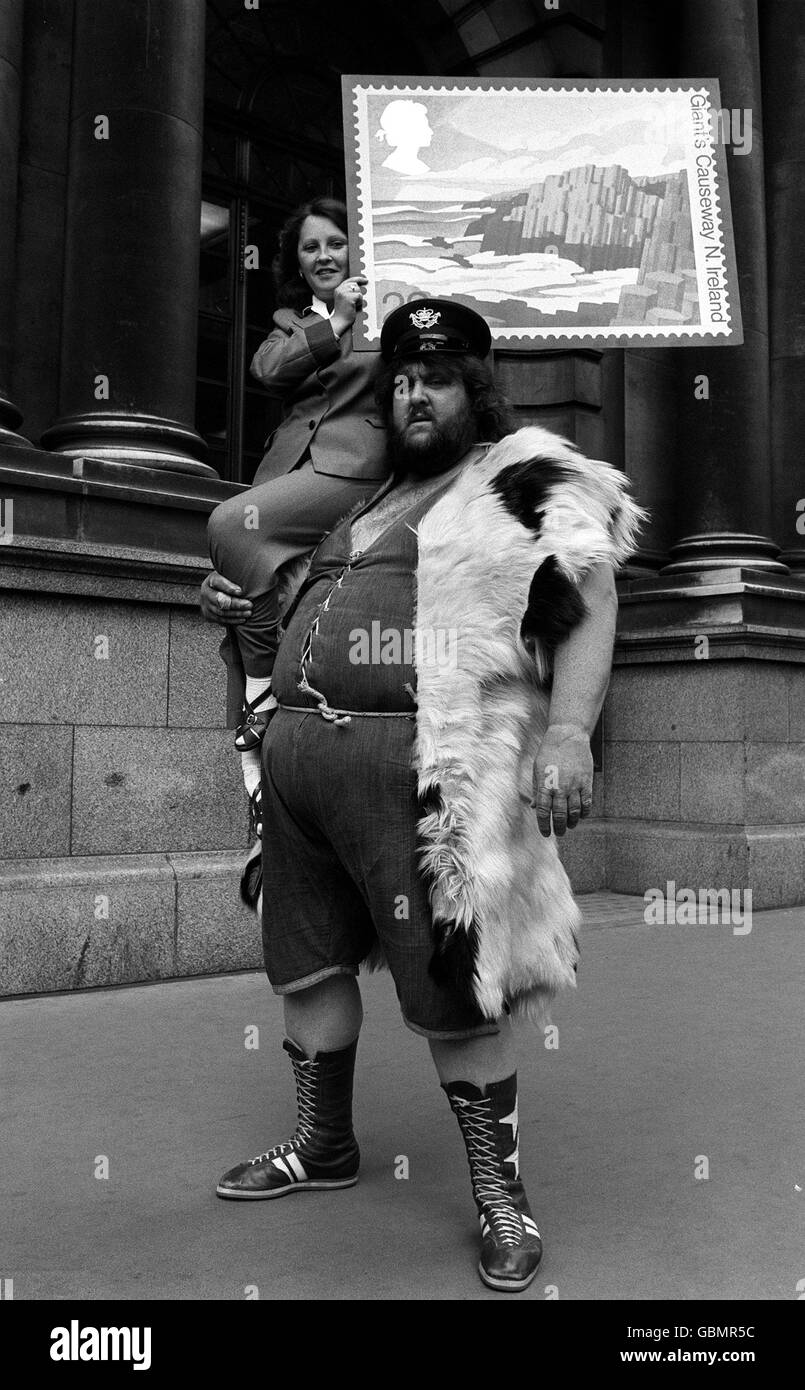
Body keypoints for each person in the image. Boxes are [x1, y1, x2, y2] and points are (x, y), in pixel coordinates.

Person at [208, 298, 646, 1293]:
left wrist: (568, 733)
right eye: (402, 378)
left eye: (436, 379)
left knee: (454, 989)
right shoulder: (362, 497)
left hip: (424, 776)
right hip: (300, 771)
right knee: (305, 963)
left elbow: (591, 591)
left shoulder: (518, 475)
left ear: (477, 389)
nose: (414, 395)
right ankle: (322, 1144)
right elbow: (289, 601)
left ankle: (500, 1192)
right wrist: (232, 604)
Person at [204, 197, 388, 838]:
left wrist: (356, 316)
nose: (324, 256)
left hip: (356, 469)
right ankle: (258, 792)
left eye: (336, 243)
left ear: (357, 248)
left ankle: (260, 697)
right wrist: (333, 321)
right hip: (287, 477)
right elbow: (269, 371)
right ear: (298, 262)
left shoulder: (385, 316)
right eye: (311, 247)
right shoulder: (292, 323)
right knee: (237, 607)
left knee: (227, 525)